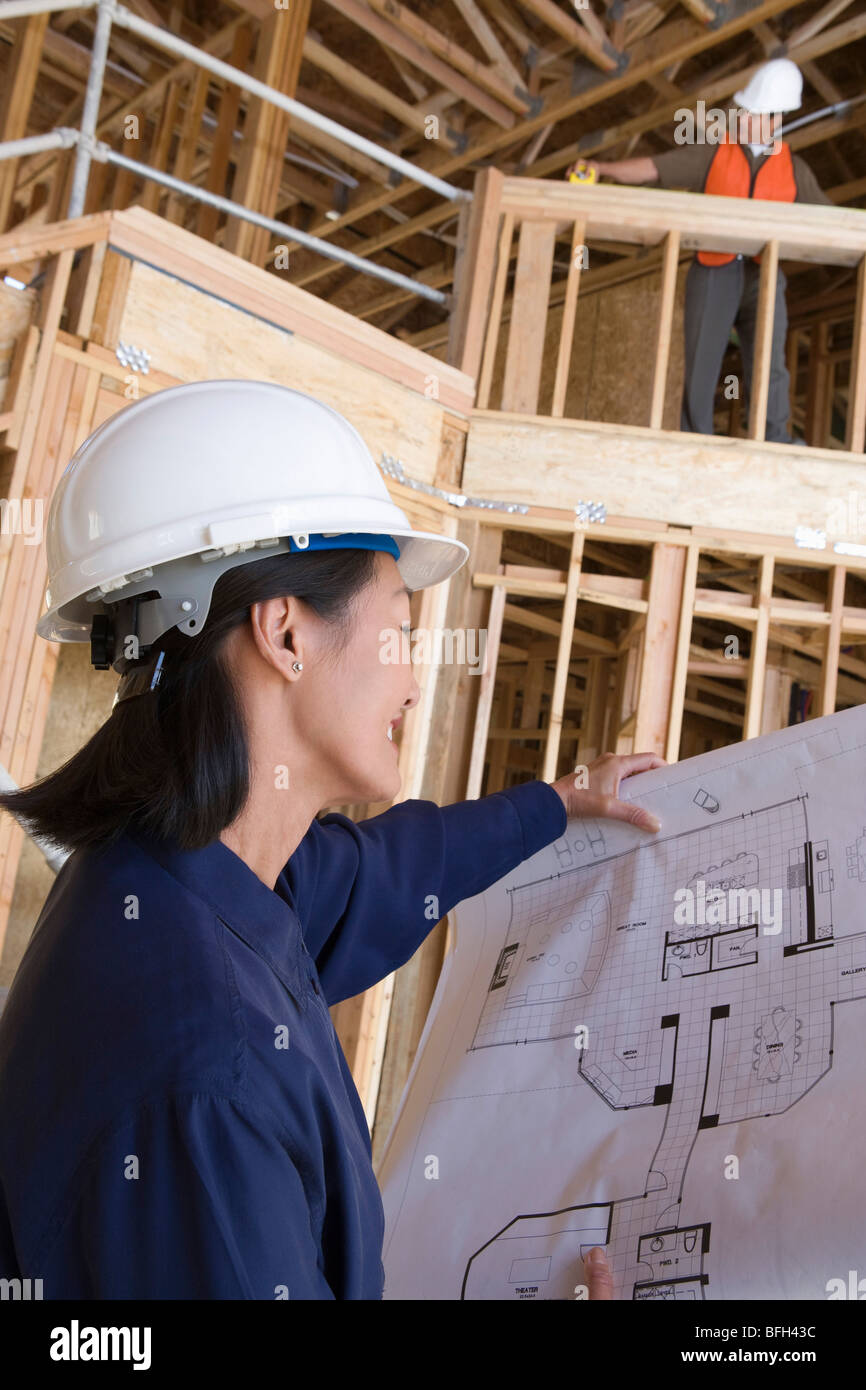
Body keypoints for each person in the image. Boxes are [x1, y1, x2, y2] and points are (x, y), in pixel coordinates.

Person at [0, 379, 662, 1300]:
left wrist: (555, 804)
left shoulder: (178, 868)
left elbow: (372, 877)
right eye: (398, 630)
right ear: (285, 634)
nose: (412, 683)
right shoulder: (204, 1089)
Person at [567, 58, 832, 442]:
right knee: (704, 361)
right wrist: (601, 169)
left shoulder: (795, 169)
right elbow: (655, 168)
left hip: (764, 276)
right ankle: (696, 438)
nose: (741, 118)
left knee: (770, 365)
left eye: (752, 114)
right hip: (714, 270)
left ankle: (776, 439)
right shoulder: (714, 152)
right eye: (743, 110)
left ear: (776, 120)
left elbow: (833, 218)